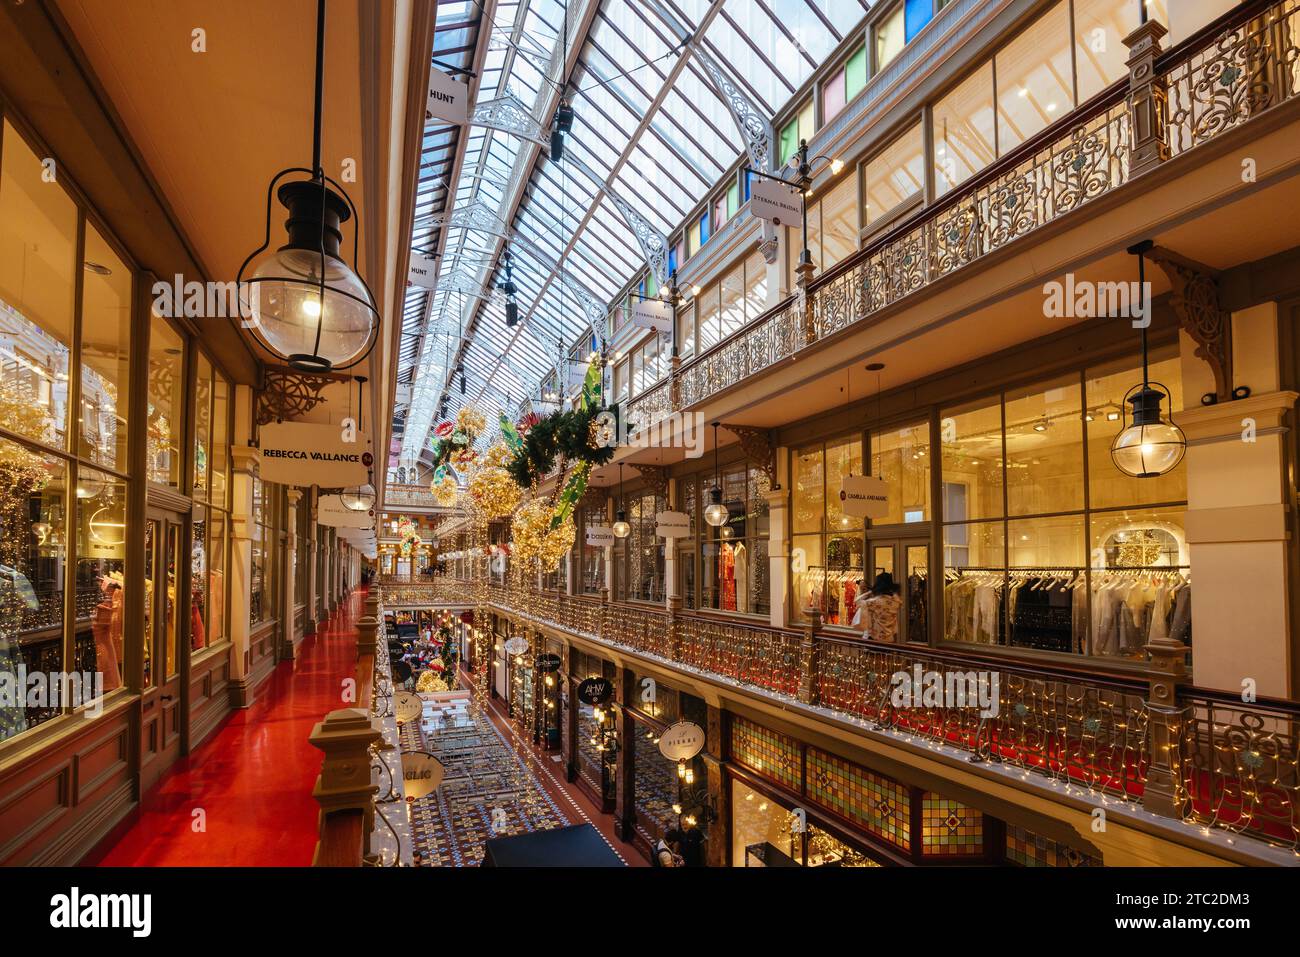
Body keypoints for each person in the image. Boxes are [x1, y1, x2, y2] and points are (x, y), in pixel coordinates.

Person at [854, 572, 902, 643]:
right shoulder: (896, 602)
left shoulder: (874, 602)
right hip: (889, 639)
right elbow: (896, 596)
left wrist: (870, 592)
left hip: (875, 640)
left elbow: (857, 601)